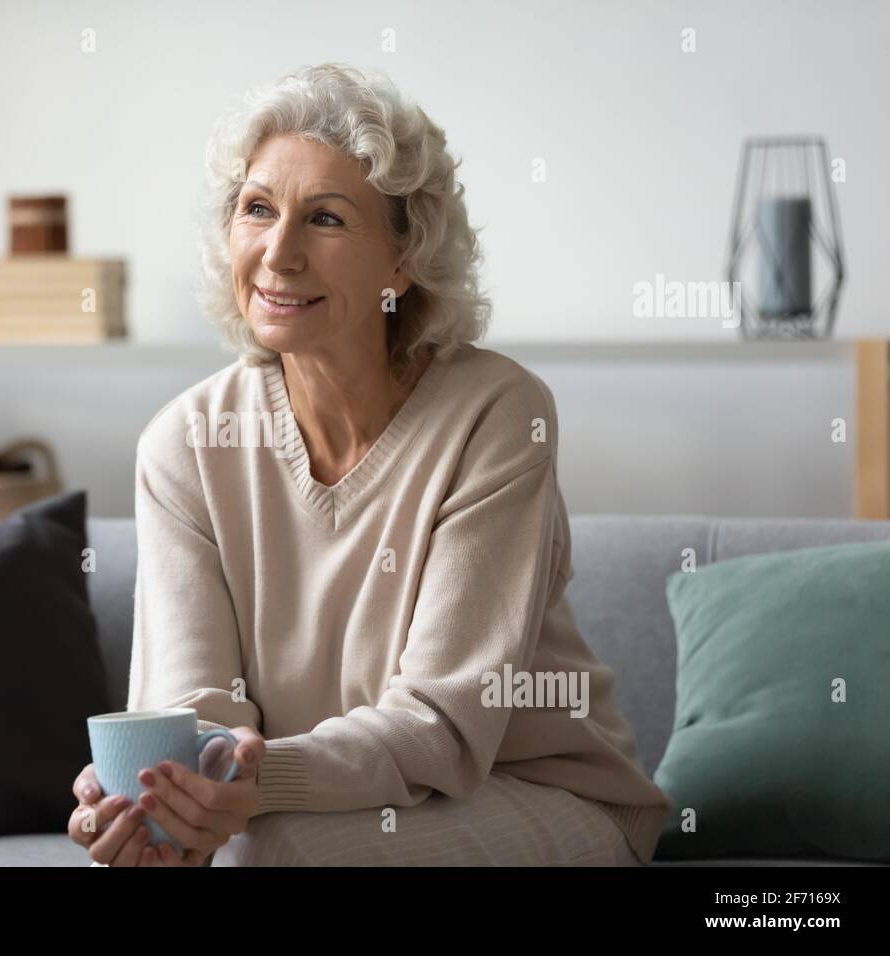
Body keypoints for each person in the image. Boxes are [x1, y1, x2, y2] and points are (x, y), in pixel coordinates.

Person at [68, 62, 671, 866]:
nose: (278, 254)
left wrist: (251, 787)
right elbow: (193, 707)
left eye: (324, 219)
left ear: (402, 259)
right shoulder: (185, 443)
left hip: (536, 789)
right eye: (257, 210)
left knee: (272, 852)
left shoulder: (495, 413)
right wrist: (168, 802)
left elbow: (443, 725)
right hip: (306, 805)